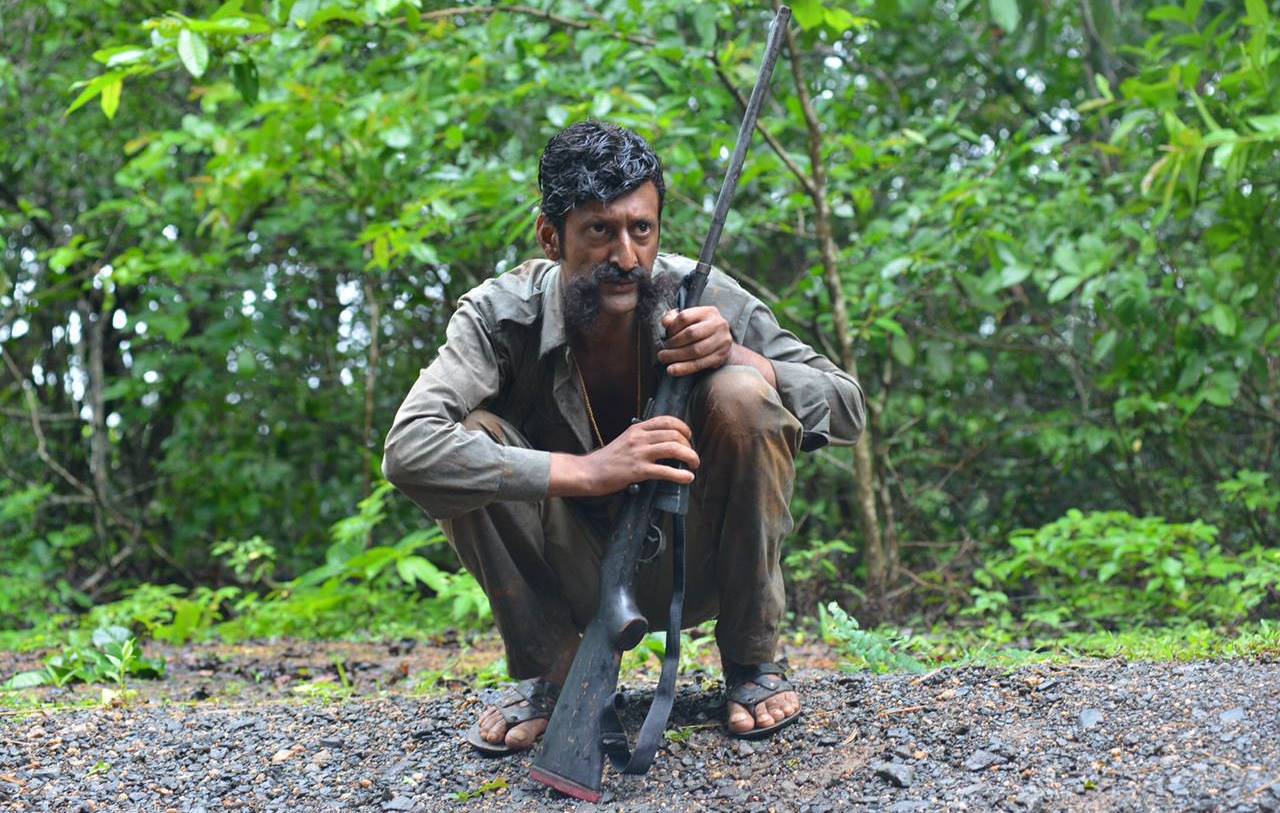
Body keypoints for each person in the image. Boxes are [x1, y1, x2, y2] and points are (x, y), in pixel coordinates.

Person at [382, 120, 864, 753]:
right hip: (568, 565)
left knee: (743, 393)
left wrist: (747, 359)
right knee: (475, 436)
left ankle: (751, 665)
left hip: (696, 558)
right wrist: (590, 470)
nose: (626, 257)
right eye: (599, 232)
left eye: (642, 229)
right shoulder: (499, 314)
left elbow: (848, 407)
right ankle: (555, 676)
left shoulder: (701, 293)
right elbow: (408, 448)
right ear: (551, 236)